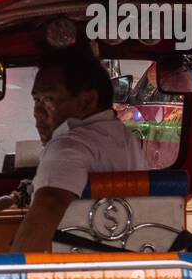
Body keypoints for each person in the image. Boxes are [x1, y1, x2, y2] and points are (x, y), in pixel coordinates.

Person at [12, 50, 146, 252]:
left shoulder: (68, 146)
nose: (37, 113)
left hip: (79, 277)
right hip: (135, 268)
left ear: (87, 100)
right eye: (36, 100)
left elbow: (50, 204)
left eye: (48, 99)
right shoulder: (126, 139)